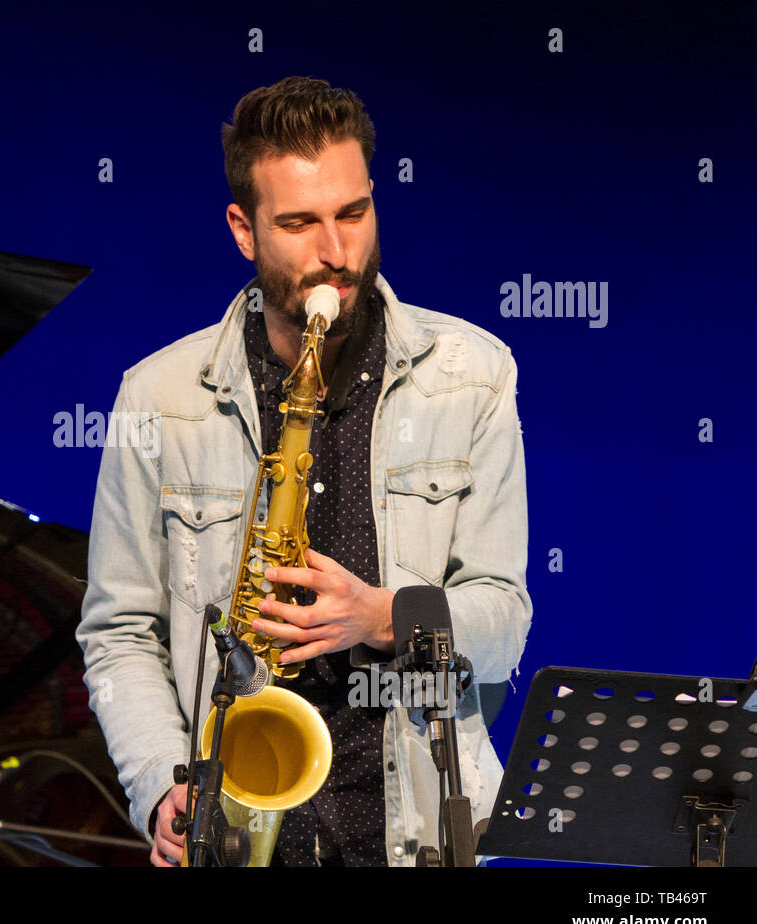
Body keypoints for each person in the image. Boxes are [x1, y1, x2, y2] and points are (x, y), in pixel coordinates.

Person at [76, 76, 532, 867]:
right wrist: (160, 782)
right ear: (243, 231)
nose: (335, 252)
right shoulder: (156, 397)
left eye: (353, 214)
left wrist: (385, 616)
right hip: (239, 830)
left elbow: (503, 626)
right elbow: (120, 631)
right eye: (299, 222)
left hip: (418, 841)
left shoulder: (475, 376)